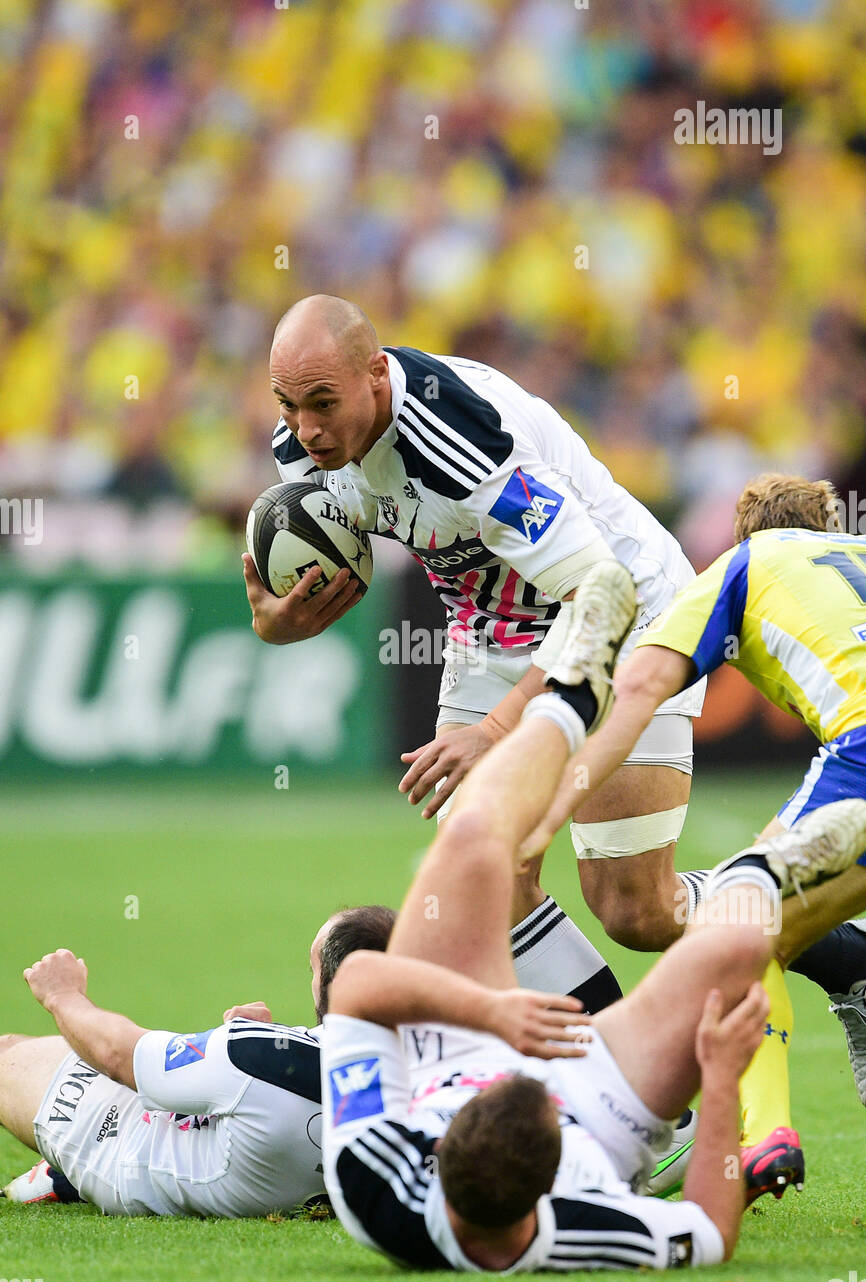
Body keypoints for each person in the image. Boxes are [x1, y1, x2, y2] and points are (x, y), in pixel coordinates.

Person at [320, 560, 866, 1270]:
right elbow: (709, 1231)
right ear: (543, 1200)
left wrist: (493, 1016)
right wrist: (723, 1080)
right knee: (727, 959)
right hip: (600, 1104)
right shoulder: (584, 1221)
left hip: (452, 1057)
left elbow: (357, 982)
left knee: (473, 839)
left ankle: (570, 686)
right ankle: (778, 871)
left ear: (440, 1148)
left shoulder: (372, 1178)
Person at [243, 294, 708, 1011]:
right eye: (286, 404)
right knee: (479, 875)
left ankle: (824, 926)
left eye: (322, 403)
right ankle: (628, 1095)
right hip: (491, 629)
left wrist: (496, 731)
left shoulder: (462, 441)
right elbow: (344, 553)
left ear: (375, 374)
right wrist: (284, 623)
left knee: (635, 909)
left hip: (627, 616)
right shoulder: (302, 451)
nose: (304, 429)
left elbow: (597, 592)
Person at [519, 474, 866, 1199]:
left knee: (735, 915)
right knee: (778, 899)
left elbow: (635, 696)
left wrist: (551, 808)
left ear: (746, 533)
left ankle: (766, 1132)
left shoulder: (742, 567)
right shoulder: (854, 555)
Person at [1, 906, 394, 1213]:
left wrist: (63, 995)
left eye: (312, 968)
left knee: (7, 1055)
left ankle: (70, 1176)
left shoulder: (249, 1055)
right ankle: (62, 1180)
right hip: (269, 1174)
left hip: (127, 1154)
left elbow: (118, 1054)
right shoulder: (433, 1059)